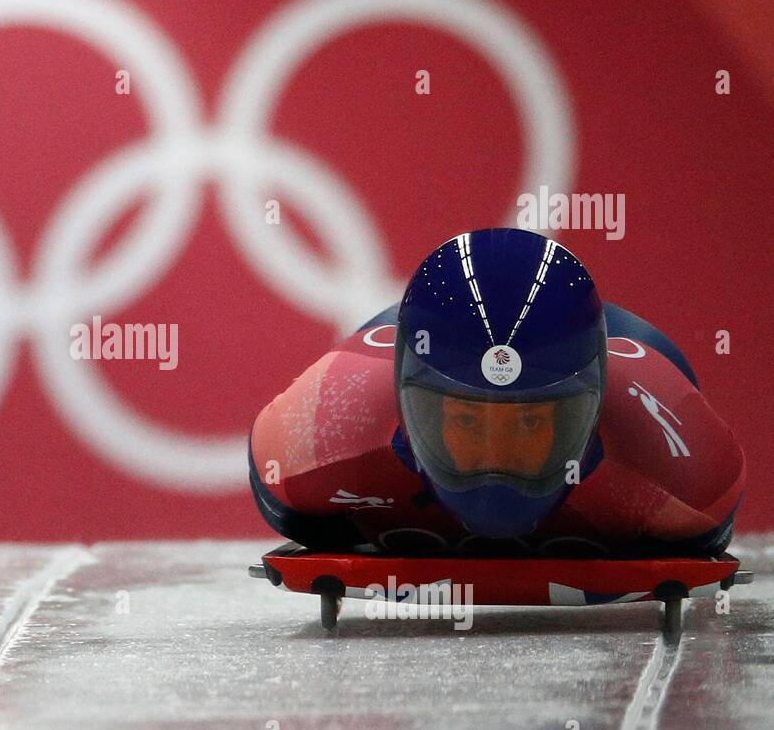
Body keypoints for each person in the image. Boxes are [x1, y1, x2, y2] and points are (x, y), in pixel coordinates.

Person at [249, 228, 744, 557]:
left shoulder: (683, 472)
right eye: (466, 419)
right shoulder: (324, 430)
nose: (496, 456)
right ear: (407, 400)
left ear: (593, 409)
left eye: (530, 420)